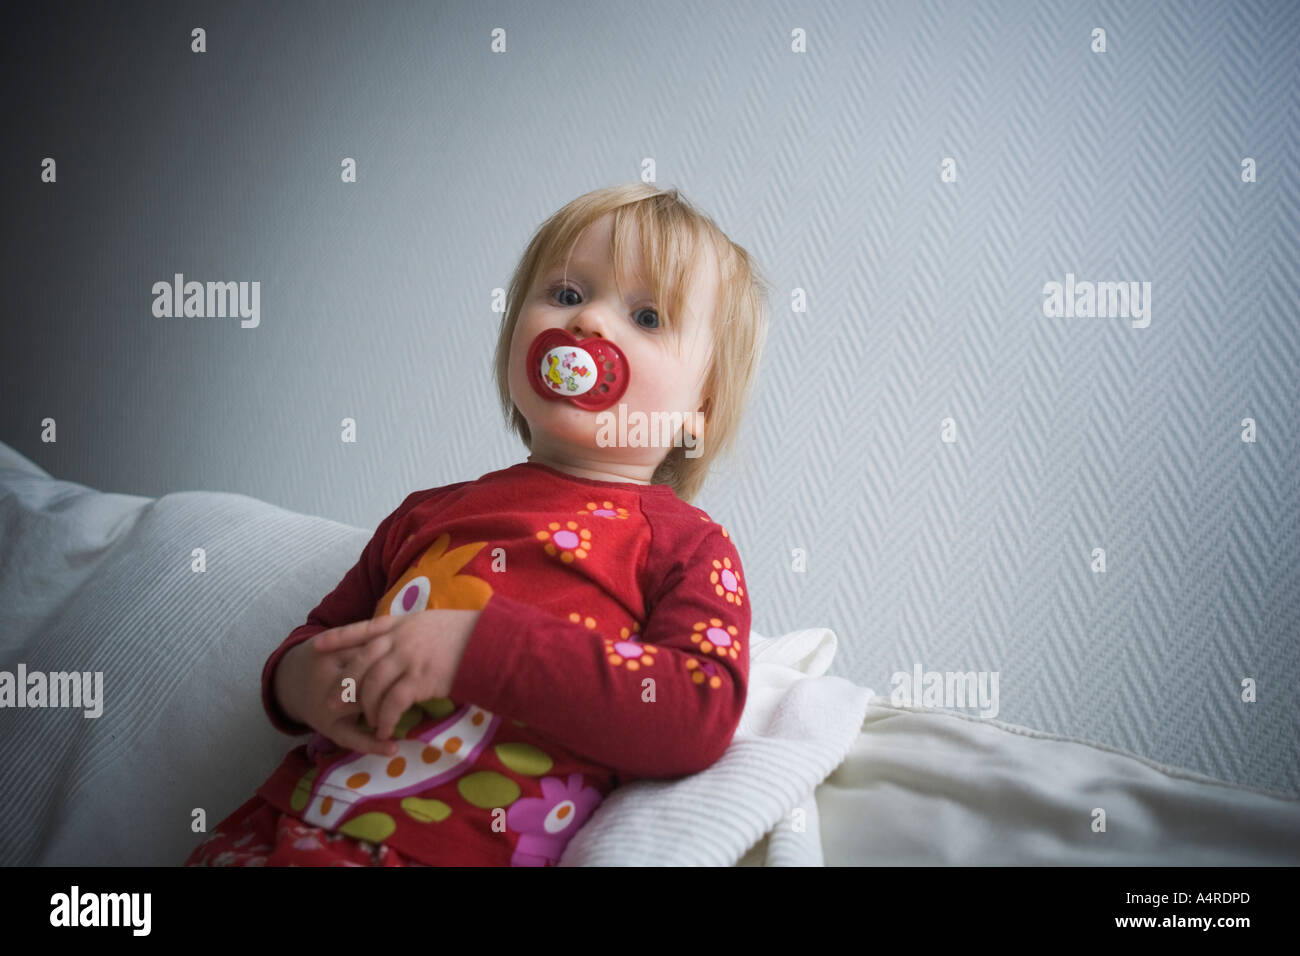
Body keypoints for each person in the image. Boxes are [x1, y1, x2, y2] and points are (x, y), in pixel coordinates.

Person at [183, 183, 771, 866]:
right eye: (568, 295)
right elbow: (320, 635)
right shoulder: (428, 514)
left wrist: (477, 648)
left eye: (645, 315)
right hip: (286, 826)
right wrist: (301, 681)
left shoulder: (687, 546)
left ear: (702, 403)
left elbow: (696, 711)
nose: (588, 326)